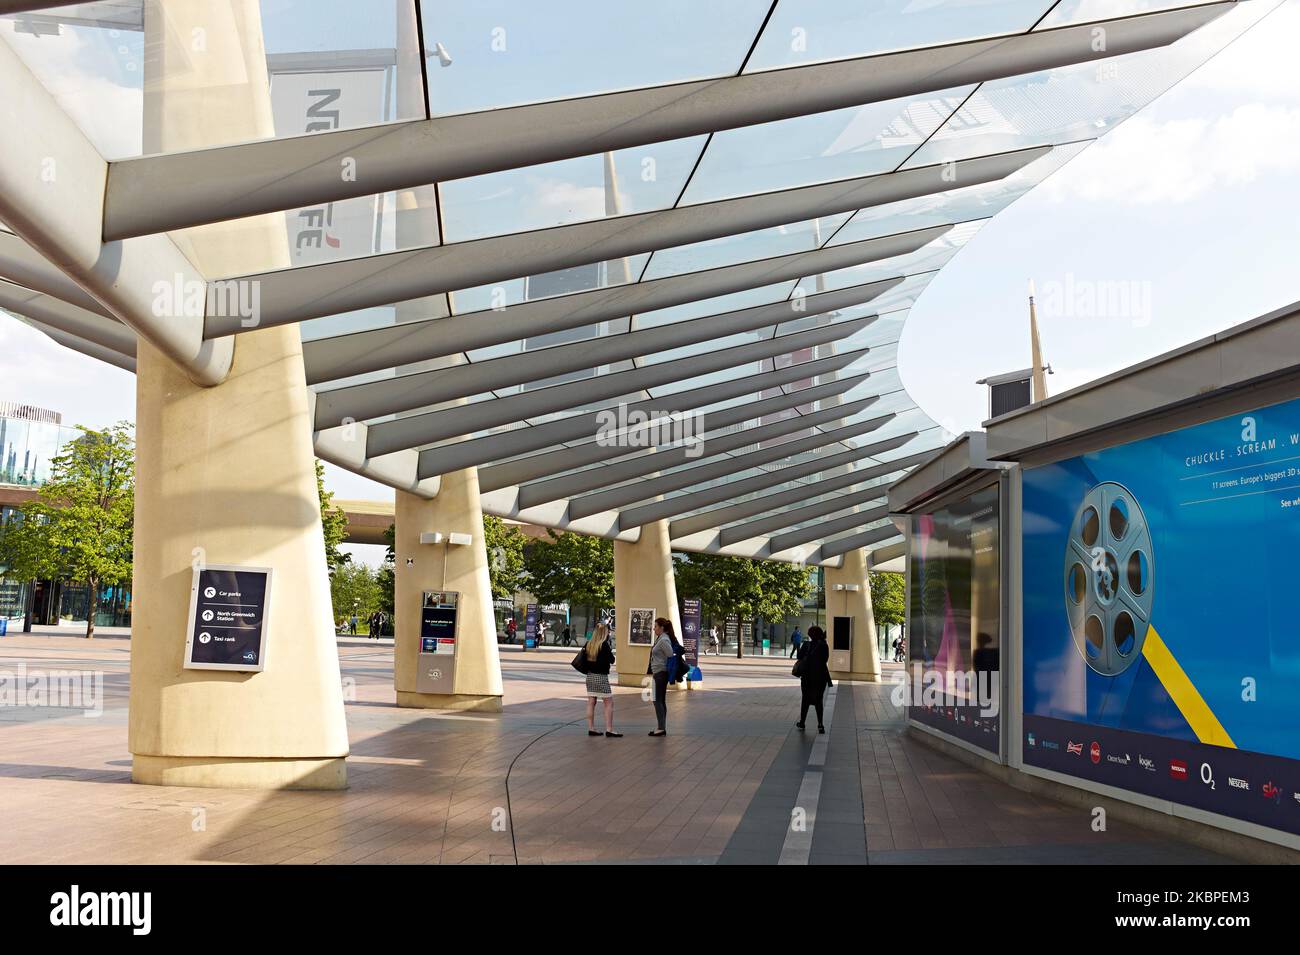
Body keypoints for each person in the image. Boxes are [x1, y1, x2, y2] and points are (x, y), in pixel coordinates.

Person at [582, 624, 622, 738]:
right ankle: (609, 729)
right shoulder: (604, 645)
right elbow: (612, 660)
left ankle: (591, 728)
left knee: (591, 702)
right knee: (608, 703)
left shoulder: (588, 644)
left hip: (590, 676)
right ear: (604, 633)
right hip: (601, 677)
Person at [796, 625, 832, 734]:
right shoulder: (824, 645)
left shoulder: (806, 645)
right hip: (820, 677)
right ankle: (820, 725)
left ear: (810, 635)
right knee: (818, 700)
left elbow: (799, 657)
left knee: (805, 699)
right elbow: (825, 660)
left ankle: (802, 722)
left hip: (807, 676)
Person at [646, 617, 678, 736]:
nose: (654, 629)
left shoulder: (664, 639)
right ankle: (661, 727)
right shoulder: (660, 638)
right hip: (658, 672)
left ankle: (661, 728)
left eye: (655, 626)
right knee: (660, 700)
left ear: (661, 628)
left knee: (657, 700)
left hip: (661, 673)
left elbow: (670, 653)